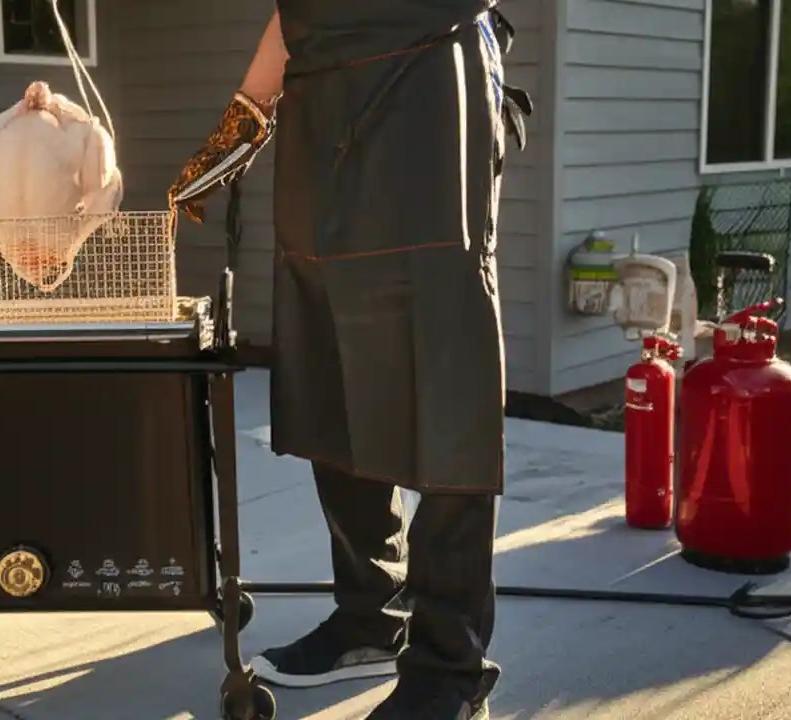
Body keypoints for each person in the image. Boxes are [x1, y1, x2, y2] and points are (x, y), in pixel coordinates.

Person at [168, 2, 532, 718]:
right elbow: (289, 20)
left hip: (429, 98)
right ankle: (371, 612)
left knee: (445, 382)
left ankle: (448, 667)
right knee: (327, 364)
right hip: (320, 120)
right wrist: (226, 143)